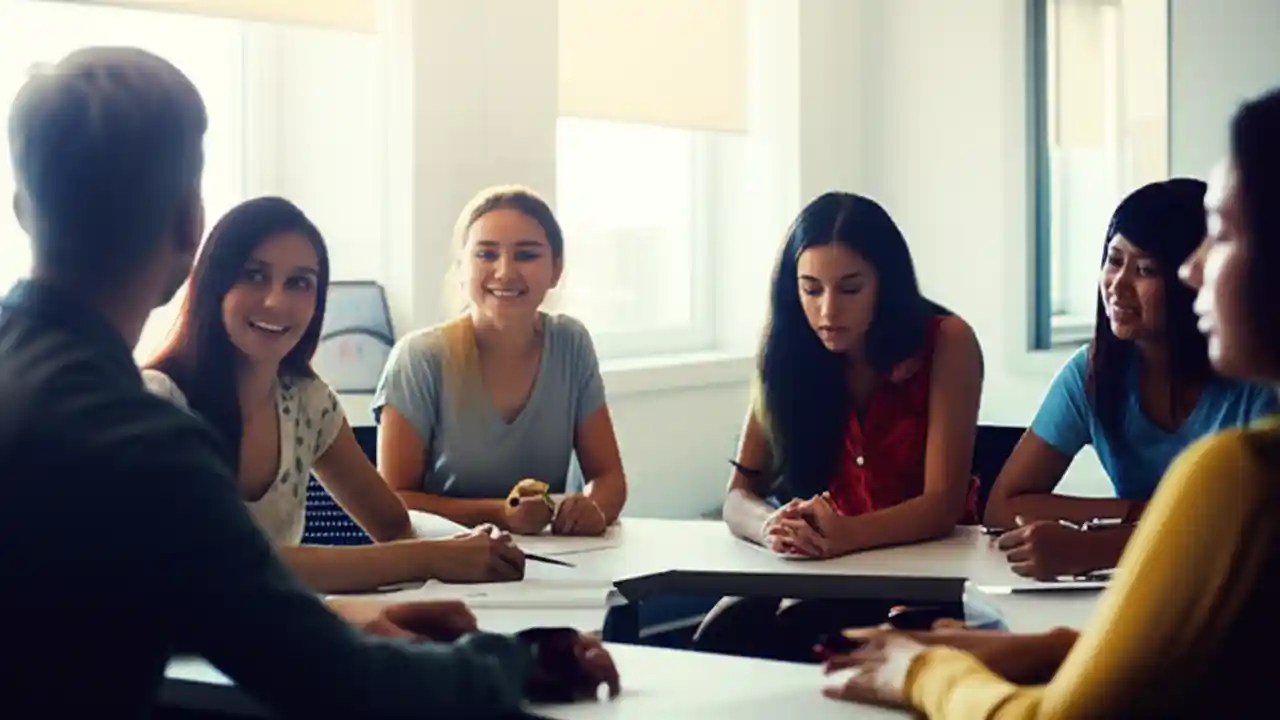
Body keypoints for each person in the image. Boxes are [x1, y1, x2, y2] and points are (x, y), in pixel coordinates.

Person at [0, 47, 616, 717]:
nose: (277, 302)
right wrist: (520, 662)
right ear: (190, 227)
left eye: (300, 283)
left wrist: (344, 613)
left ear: (22, 208)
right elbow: (331, 682)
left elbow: (98, 603)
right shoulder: (142, 443)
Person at [822, 87, 1280, 718]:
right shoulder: (1095, 375)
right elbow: (1224, 654)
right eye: (1112, 261)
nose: (1194, 271)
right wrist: (1055, 647)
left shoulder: (1246, 464)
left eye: (1222, 237)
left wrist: (925, 668)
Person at [143, 197, 525, 593]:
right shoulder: (157, 403)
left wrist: (467, 545)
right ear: (213, 284)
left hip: (270, 642)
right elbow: (227, 564)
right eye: (254, 275)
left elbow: (394, 525)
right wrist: (429, 557)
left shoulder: (307, 401)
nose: (276, 301)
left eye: (299, 283)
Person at [695, 191, 984, 661]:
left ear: (884, 285)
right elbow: (736, 497)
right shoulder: (787, 349)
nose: (828, 311)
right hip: (833, 572)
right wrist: (769, 523)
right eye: (811, 289)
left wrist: (844, 535)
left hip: (931, 577)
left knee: (861, 651)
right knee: (724, 634)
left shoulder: (948, 341)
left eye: (849, 289)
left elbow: (942, 505)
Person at [984, 179, 1276, 580]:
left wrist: (1097, 546)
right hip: (1142, 583)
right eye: (1113, 260)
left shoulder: (1256, 385)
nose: (1118, 286)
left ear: (1193, 278)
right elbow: (1003, 504)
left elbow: (1248, 531)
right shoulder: (1091, 372)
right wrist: (1135, 513)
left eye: (1145, 270)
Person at [374, 185, 626, 536]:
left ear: (556, 269)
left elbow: (609, 477)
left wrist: (592, 507)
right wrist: (500, 514)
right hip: (440, 564)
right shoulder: (419, 358)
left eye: (526, 255)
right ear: (462, 268)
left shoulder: (571, 343)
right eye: (486, 254)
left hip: (549, 563)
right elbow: (392, 502)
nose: (505, 272)